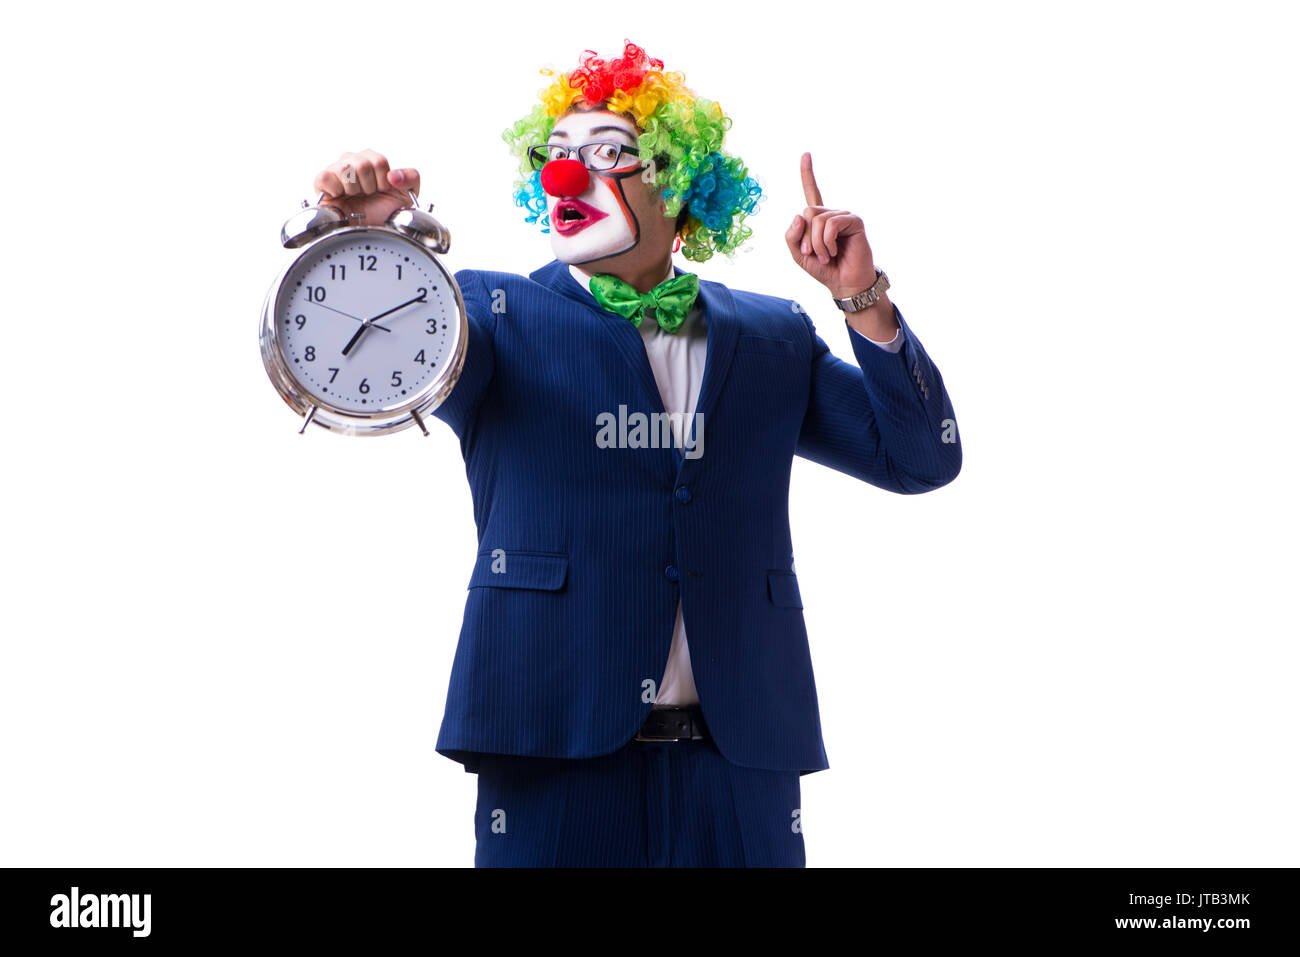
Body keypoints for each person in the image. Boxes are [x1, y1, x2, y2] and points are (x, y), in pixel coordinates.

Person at [310, 40, 961, 867]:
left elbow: (921, 459)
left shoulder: (771, 336)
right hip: (554, 749)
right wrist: (376, 248)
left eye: (607, 154)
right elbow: (352, 364)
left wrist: (861, 300)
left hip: (742, 763)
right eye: (555, 157)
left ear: (682, 182)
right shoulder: (486, 312)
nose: (566, 177)